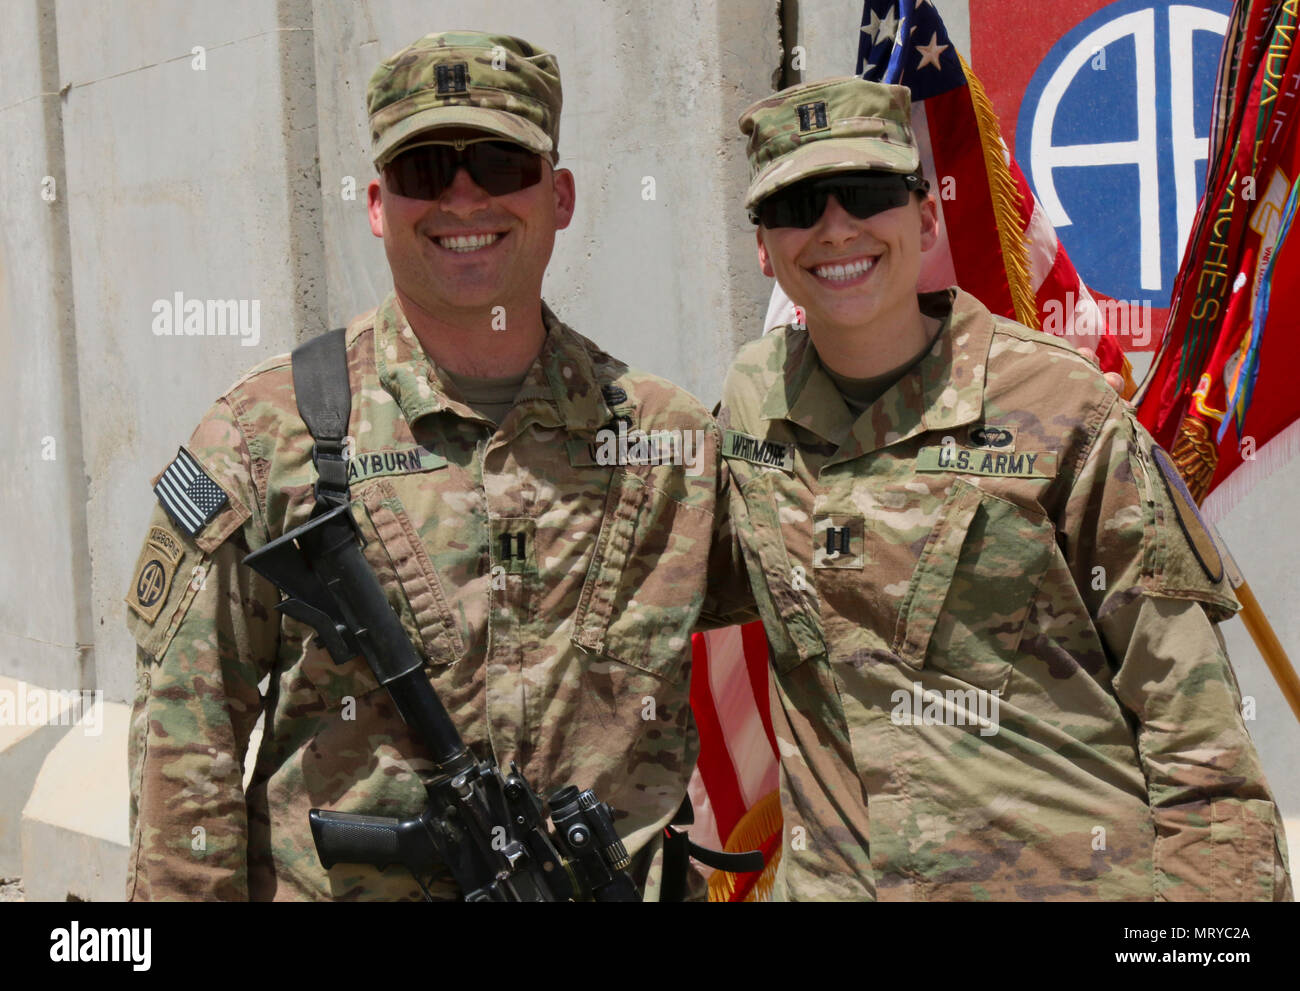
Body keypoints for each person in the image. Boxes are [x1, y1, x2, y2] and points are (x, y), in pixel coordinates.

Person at [124, 31, 720, 901]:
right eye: (425, 169)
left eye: (499, 162)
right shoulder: (266, 437)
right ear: (377, 204)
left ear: (560, 197)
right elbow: (187, 746)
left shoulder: (671, 445)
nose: (464, 195)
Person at [703, 77, 1293, 901]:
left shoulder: (1059, 405)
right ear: (765, 247)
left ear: (929, 215)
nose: (836, 228)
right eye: (798, 205)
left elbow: (1191, 727)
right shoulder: (751, 407)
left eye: (869, 193)